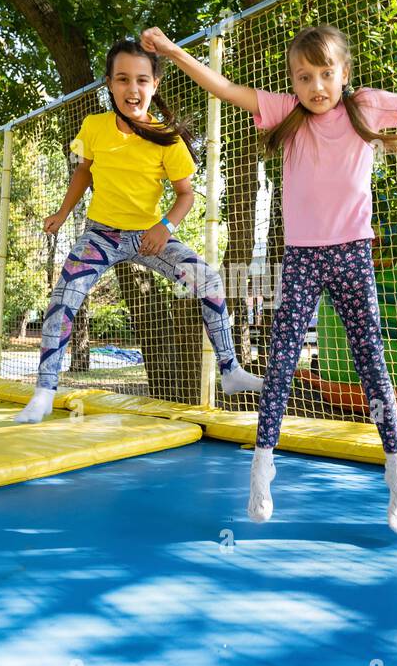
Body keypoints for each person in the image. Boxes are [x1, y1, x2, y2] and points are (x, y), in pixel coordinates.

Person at [142, 15, 397, 534]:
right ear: (293, 83)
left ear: (344, 73)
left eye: (325, 74)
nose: (316, 86)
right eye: (303, 77)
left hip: (352, 253)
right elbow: (222, 87)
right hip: (302, 257)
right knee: (280, 364)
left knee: (371, 361)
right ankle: (262, 467)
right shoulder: (287, 114)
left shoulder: (366, 105)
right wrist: (171, 52)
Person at [15, 39, 263, 424]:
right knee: (63, 300)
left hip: (149, 237)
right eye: (123, 79)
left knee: (210, 281)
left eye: (142, 80)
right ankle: (45, 391)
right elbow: (83, 170)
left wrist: (165, 227)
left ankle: (230, 371)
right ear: (110, 85)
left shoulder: (168, 138)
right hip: (100, 235)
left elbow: (185, 196)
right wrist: (63, 213)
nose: (133, 89)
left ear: (155, 84)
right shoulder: (94, 126)